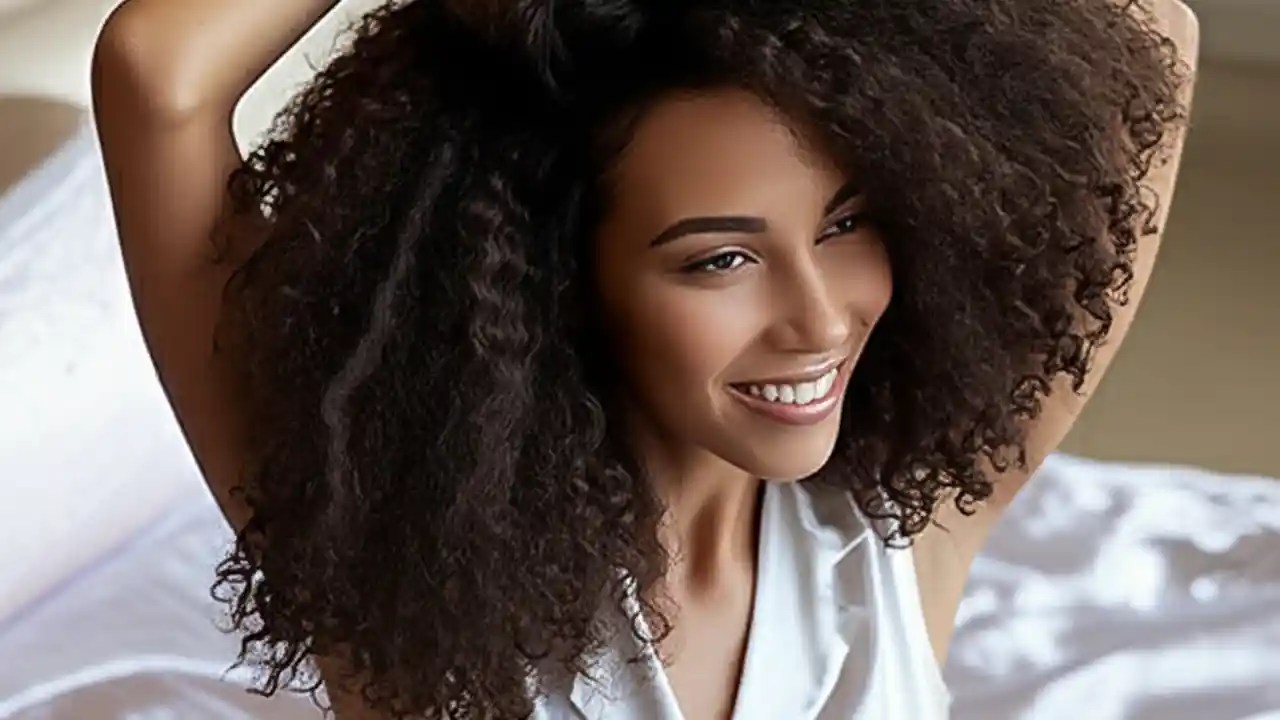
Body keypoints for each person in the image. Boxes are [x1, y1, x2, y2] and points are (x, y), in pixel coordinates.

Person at [90, 0, 1199, 717]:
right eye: (718, 260)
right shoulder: (403, 581)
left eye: (844, 224)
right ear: (556, 278)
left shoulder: (897, 534)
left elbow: (1153, 34)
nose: (817, 319)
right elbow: (158, 78)